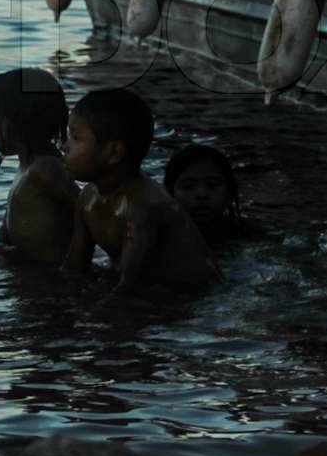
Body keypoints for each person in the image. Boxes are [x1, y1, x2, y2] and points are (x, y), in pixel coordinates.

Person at [63, 88, 216, 299]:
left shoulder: (143, 206)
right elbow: (74, 266)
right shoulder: (87, 199)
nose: (65, 146)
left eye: (75, 138)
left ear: (113, 152)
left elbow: (128, 288)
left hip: (192, 295)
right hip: (147, 286)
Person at [0, 69, 78, 264]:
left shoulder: (45, 169)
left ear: (14, 122)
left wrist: (76, 265)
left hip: (50, 277)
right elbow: (5, 223)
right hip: (31, 273)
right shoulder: (26, 167)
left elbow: (87, 210)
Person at [164, 144, 259, 244]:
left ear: (230, 193)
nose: (201, 194)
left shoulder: (252, 235)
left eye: (212, 185)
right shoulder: (158, 237)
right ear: (169, 194)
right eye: (188, 186)